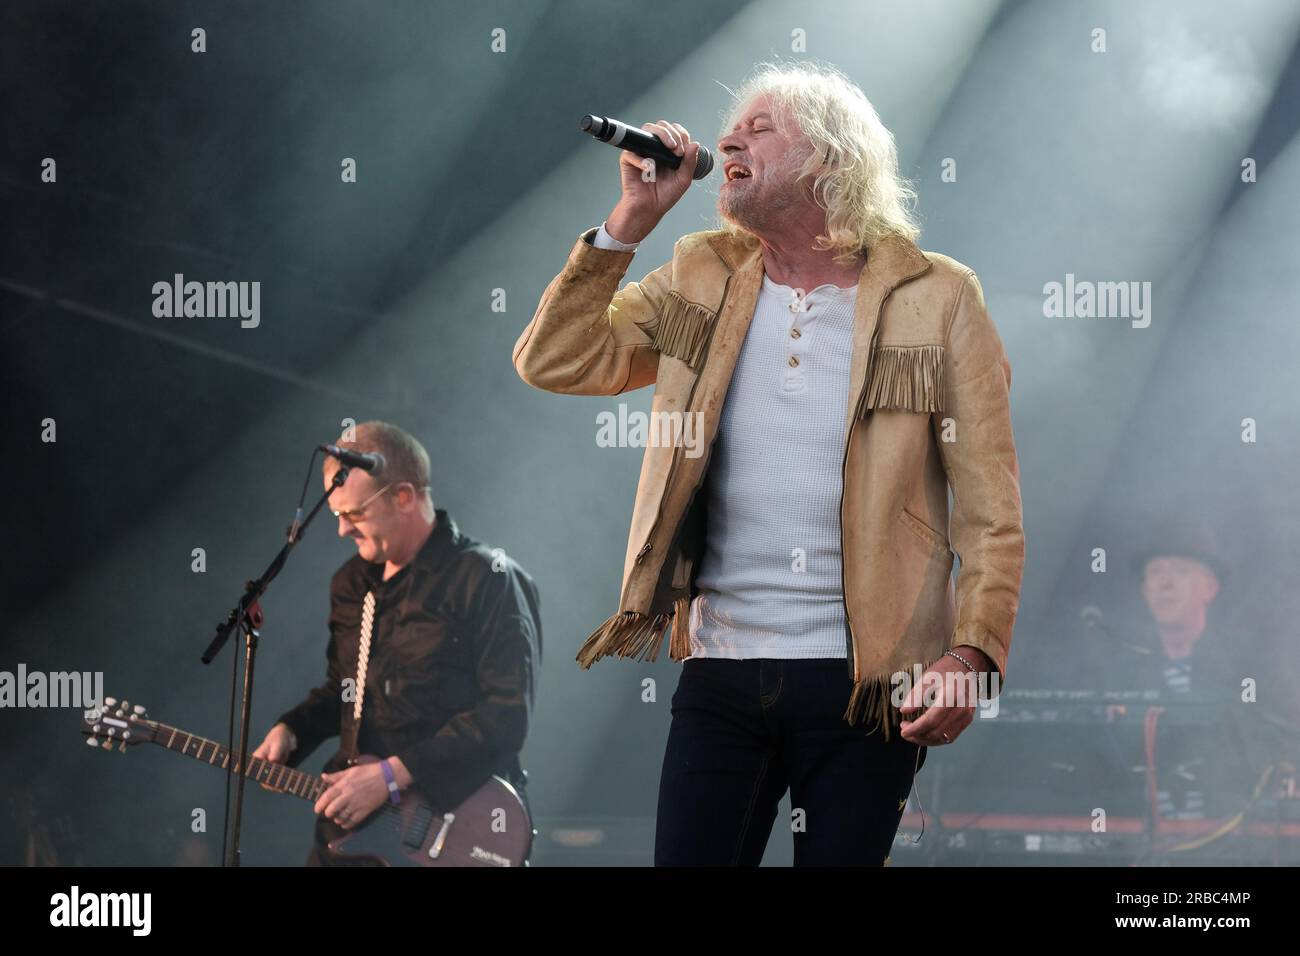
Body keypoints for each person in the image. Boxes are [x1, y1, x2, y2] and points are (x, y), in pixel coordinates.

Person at [514, 61, 1024, 865]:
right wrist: (629, 223)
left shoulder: (939, 297)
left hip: (866, 681)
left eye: (759, 128)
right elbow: (556, 359)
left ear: (828, 158)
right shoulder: (699, 274)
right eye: (731, 129)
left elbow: (991, 504)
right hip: (723, 668)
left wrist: (972, 653)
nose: (726, 140)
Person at [251, 421, 541, 865]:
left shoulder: (486, 579)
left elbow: (505, 714)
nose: (342, 531)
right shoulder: (351, 583)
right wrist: (292, 731)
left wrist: (391, 775)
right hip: (352, 831)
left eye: (354, 514)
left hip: (454, 828)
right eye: (336, 516)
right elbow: (343, 691)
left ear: (404, 497)